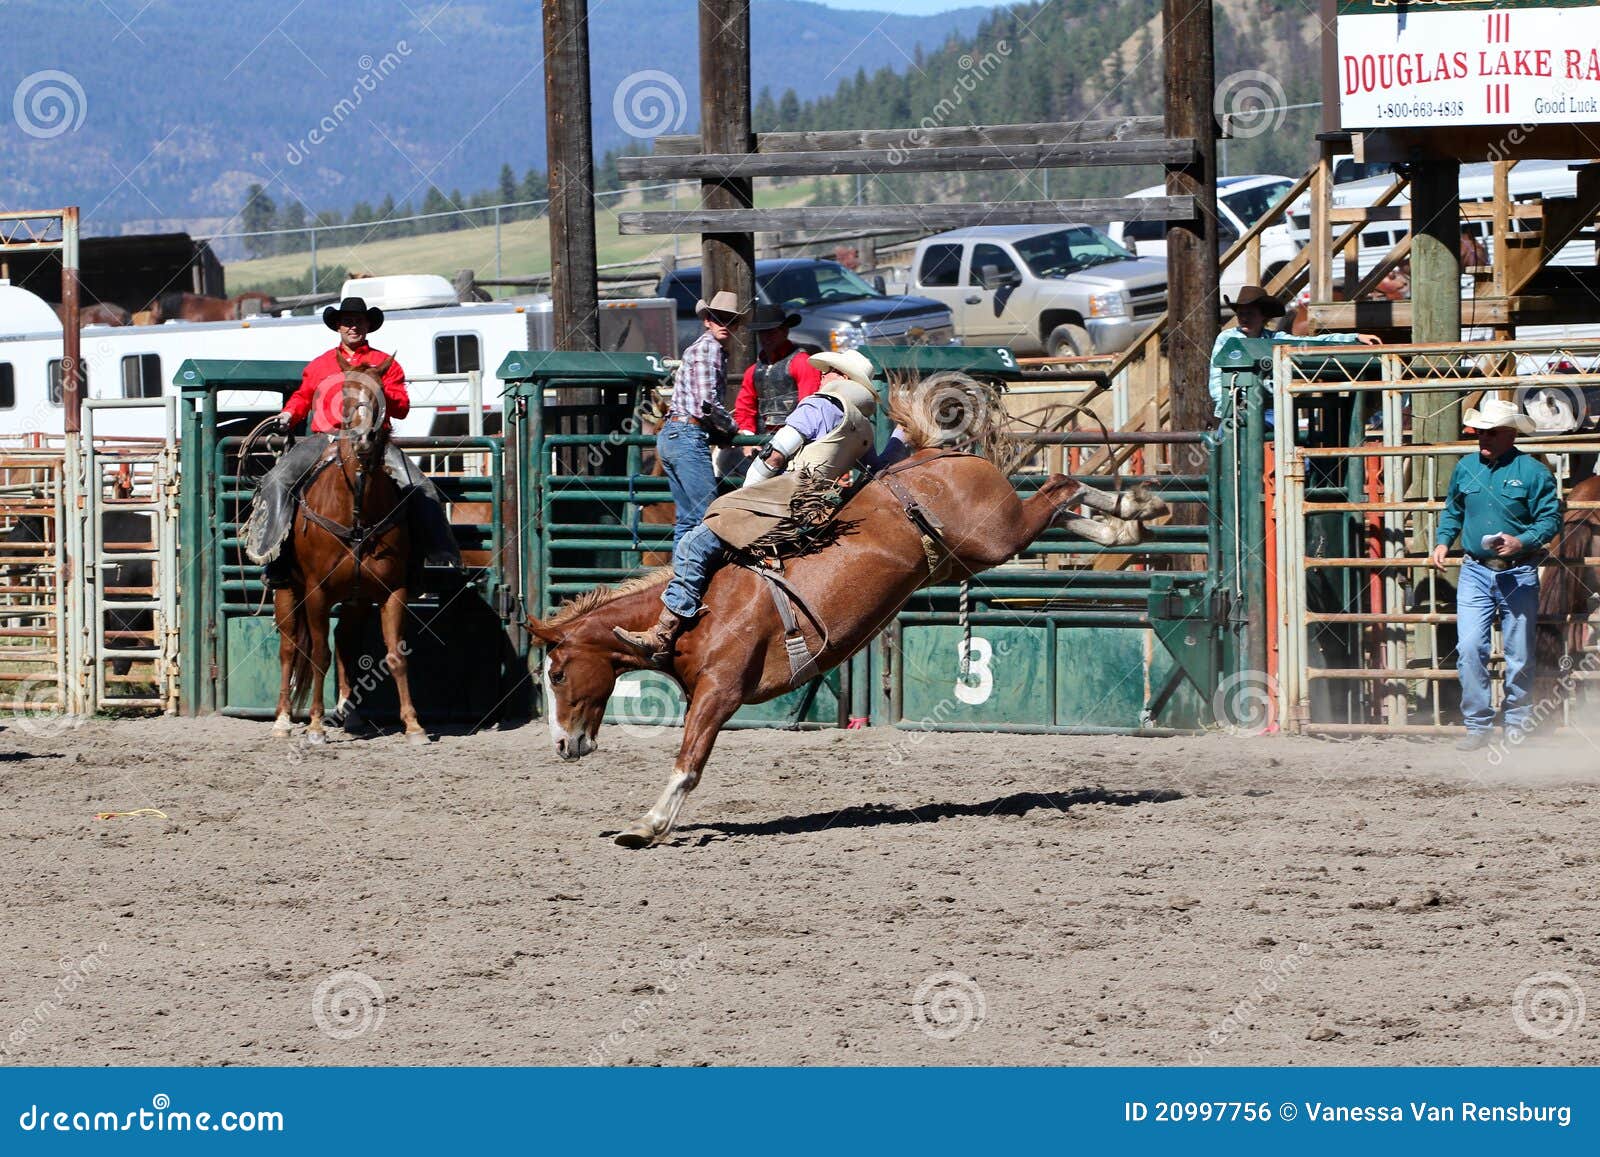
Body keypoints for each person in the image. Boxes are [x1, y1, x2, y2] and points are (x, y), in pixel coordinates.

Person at [615, 349, 905, 665]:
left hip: (780, 497)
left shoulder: (818, 406)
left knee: (692, 545)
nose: (822, 375)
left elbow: (775, 455)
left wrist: (745, 499)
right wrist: (901, 433)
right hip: (816, 509)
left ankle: (662, 633)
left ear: (844, 378)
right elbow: (879, 469)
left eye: (830, 370)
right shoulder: (861, 426)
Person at [245, 296, 461, 588]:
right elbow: (303, 397)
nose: (353, 326)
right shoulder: (320, 365)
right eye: (347, 321)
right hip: (325, 438)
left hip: (374, 441)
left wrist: (382, 390)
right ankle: (277, 560)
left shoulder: (386, 365)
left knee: (421, 487)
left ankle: (434, 557)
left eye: (359, 321)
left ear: (368, 325)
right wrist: (288, 414)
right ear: (338, 327)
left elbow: (403, 408)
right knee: (276, 480)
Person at [1430, 397, 1562, 751]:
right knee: (1471, 648)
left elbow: (1550, 519)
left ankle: (1516, 721)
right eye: (1480, 432)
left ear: (1509, 434)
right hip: (1475, 569)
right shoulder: (1465, 467)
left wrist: (1522, 541)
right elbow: (1453, 509)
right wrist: (1443, 541)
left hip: (1518, 571)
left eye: (1490, 433)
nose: (1482, 438)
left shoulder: (1534, 473)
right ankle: (1478, 724)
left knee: (1518, 653)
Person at [1208, 285, 1382, 420]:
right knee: (1226, 441)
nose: (1244, 317)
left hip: (1270, 407)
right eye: (1241, 313)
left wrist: (1354, 337)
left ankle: (1305, 464)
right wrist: (1230, 405)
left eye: (1250, 313)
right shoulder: (1227, 339)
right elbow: (1216, 378)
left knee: (1288, 437)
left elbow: (1312, 342)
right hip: (1236, 408)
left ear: (1263, 316)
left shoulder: (1275, 338)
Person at [661, 289, 744, 546]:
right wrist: (731, 429)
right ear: (708, 320)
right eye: (719, 318)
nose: (724, 325)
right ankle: (701, 581)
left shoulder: (701, 348)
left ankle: (679, 581)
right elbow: (707, 403)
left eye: (730, 320)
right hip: (687, 435)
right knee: (708, 517)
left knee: (686, 520)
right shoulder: (710, 349)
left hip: (673, 434)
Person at [731, 304, 821, 439]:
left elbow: (809, 405)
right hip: (761, 439)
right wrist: (747, 436)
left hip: (797, 436)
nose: (766, 337)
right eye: (762, 332)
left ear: (785, 331)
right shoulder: (753, 371)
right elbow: (744, 408)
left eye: (771, 332)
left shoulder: (802, 363)